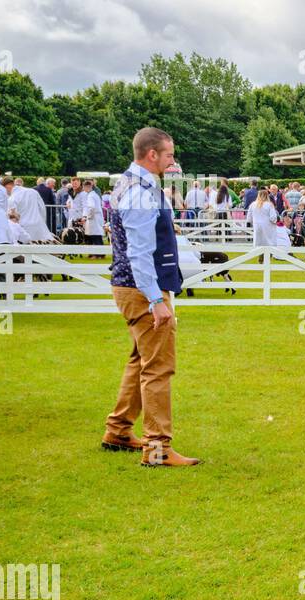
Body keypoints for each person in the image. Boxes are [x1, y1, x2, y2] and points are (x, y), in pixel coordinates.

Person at [103, 127, 200, 466]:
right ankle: (157, 448)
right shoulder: (141, 193)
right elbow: (139, 252)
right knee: (158, 367)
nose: (173, 161)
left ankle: (117, 430)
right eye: (170, 154)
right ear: (152, 154)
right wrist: (156, 301)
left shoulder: (130, 185)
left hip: (133, 286)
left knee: (139, 359)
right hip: (143, 288)